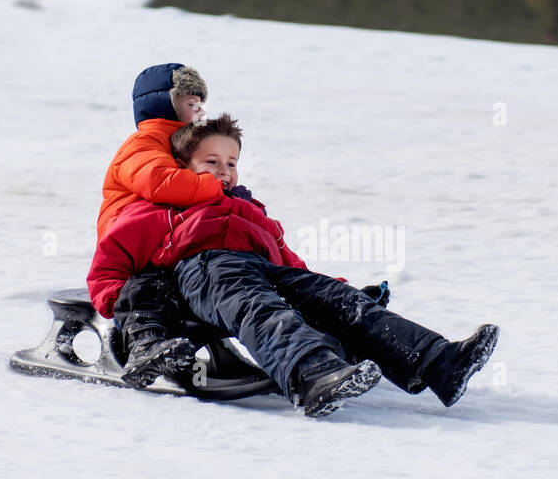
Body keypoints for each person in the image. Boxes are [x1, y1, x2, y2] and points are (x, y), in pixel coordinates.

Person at [87, 114, 499, 417]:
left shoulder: (249, 211)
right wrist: (115, 304)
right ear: (185, 169)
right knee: (260, 309)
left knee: (339, 304)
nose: (224, 172)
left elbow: (287, 260)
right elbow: (113, 257)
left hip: (260, 267)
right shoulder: (168, 208)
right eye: (211, 162)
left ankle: (439, 362)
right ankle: (313, 375)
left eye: (231, 163)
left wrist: (336, 286)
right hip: (205, 269)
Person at [96, 62, 217, 387]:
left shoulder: (186, 148)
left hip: (170, 243)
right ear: (165, 102)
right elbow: (159, 183)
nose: (199, 110)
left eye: (200, 103)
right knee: (146, 289)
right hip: (132, 244)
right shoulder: (143, 144)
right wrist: (212, 183)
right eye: (191, 103)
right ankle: (144, 348)